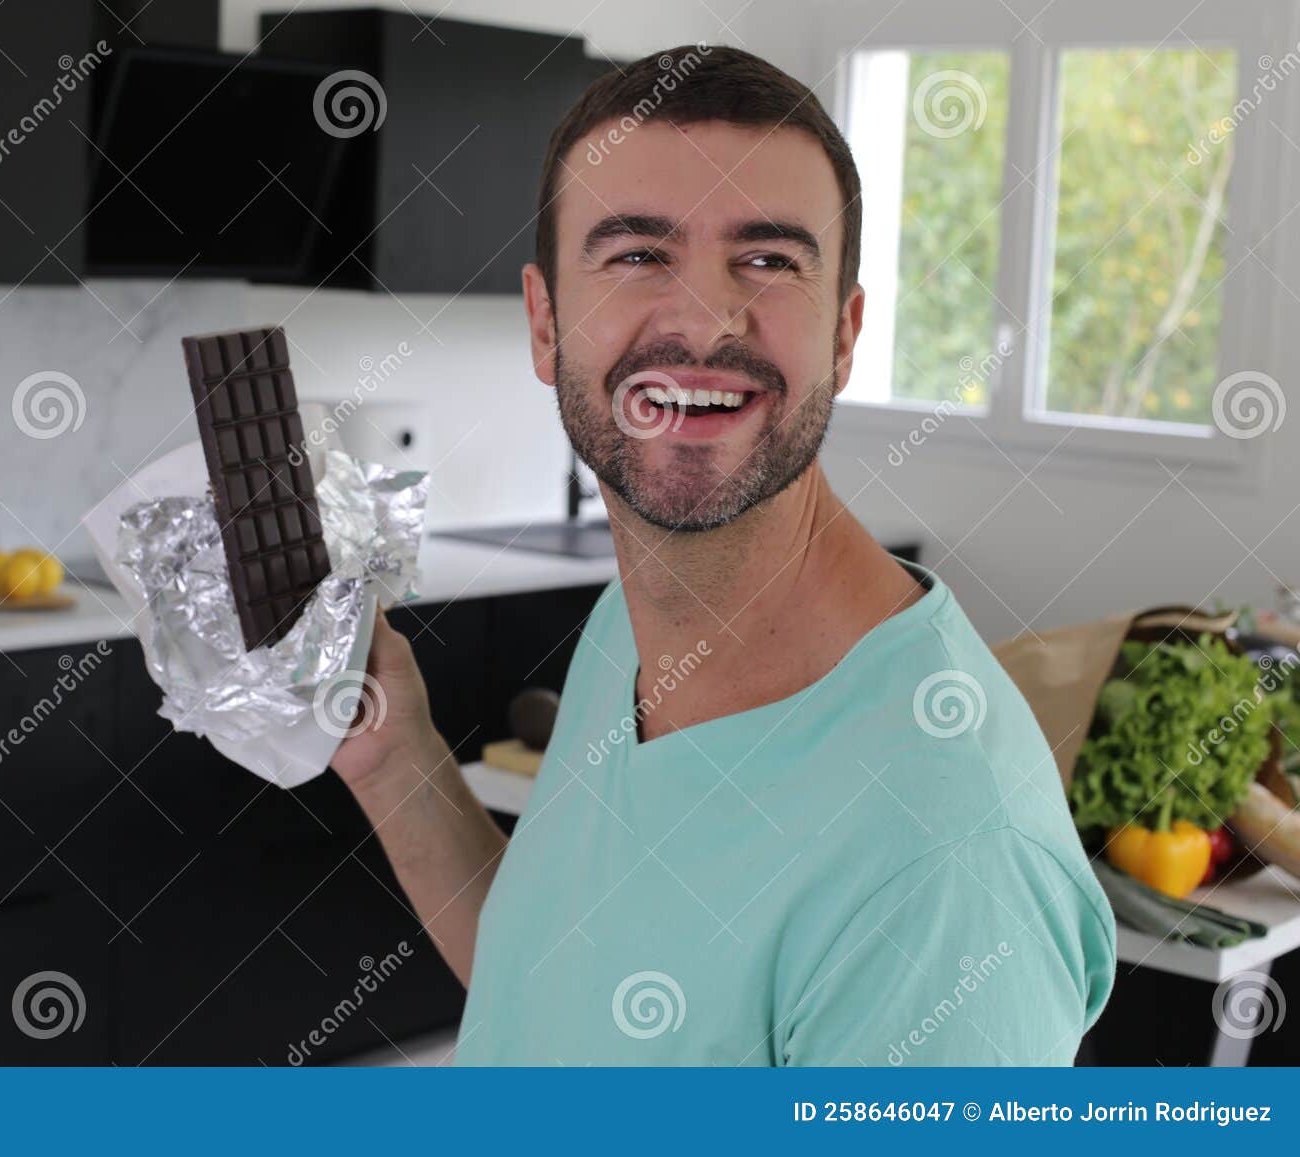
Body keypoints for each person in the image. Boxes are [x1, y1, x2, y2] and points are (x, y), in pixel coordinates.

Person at [331, 44, 1115, 1065]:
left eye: (769, 260)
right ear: (545, 323)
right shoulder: (631, 627)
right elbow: (550, 995)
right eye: (636, 254)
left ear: (843, 335)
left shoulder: (946, 861)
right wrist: (394, 754)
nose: (704, 318)